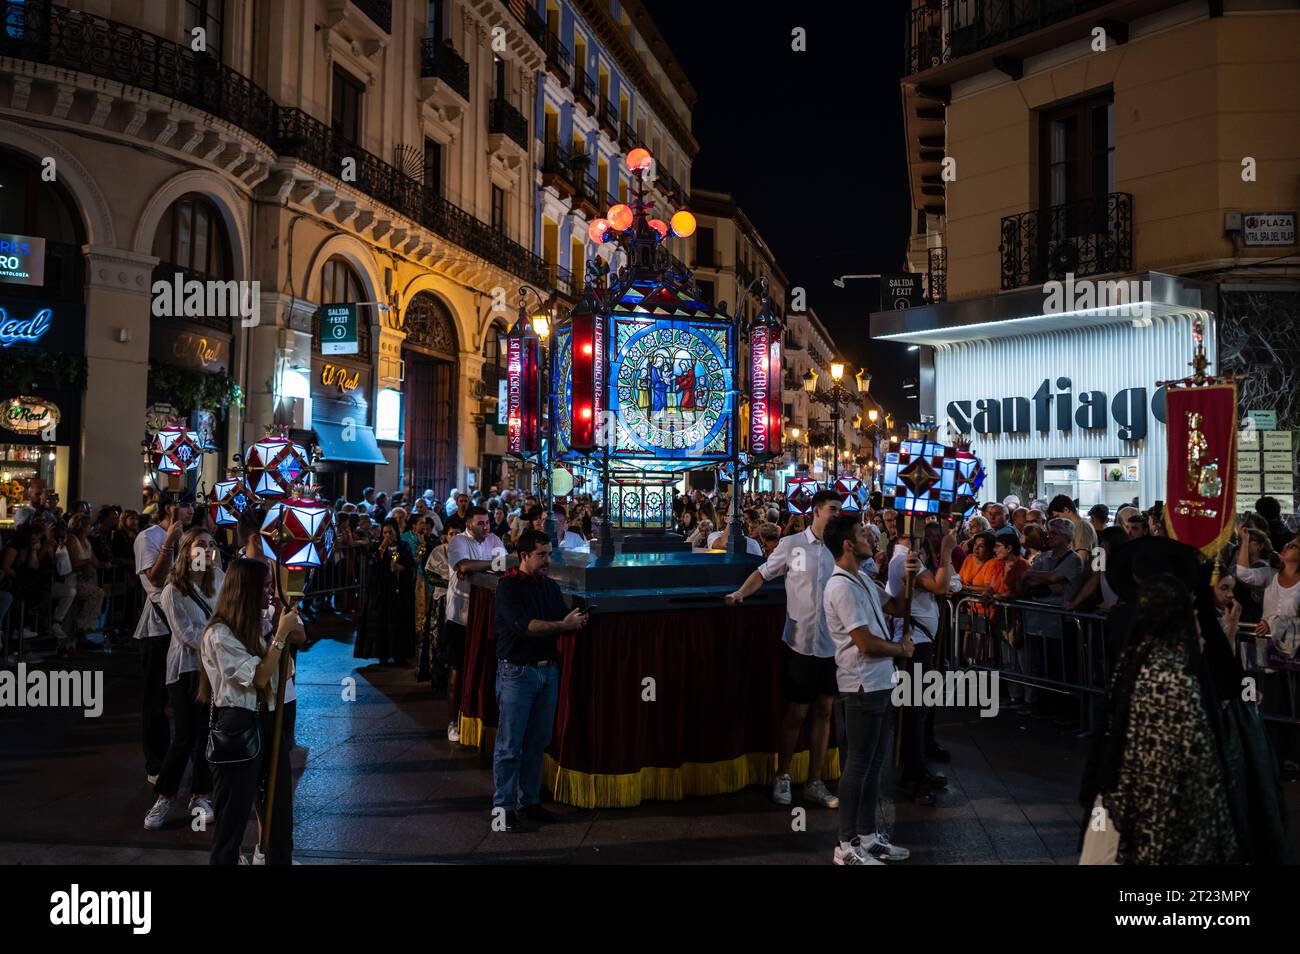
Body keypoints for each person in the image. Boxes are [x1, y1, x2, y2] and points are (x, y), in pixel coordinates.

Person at [1078, 574, 1240, 864]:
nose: (1201, 631)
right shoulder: (1170, 676)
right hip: (1149, 818)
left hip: (1123, 808)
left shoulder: (1141, 659)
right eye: (1193, 619)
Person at [725, 489, 843, 810]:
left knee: (824, 710)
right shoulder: (793, 546)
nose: (836, 515)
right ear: (817, 511)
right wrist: (740, 594)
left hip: (832, 643)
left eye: (839, 510)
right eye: (832, 509)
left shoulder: (839, 550)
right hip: (800, 642)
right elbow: (762, 573)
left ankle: (816, 781)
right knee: (797, 711)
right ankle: (784, 774)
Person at [822, 514, 914, 865]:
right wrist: (900, 650)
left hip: (878, 681)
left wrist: (909, 576)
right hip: (861, 684)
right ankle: (845, 845)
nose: (870, 539)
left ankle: (868, 836)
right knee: (858, 764)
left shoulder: (861, 578)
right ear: (848, 544)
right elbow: (863, 642)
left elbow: (898, 607)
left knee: (874, 764)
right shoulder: (842, 586)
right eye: (863, 534)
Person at [198, 558, 303, 865]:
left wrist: (284, 633)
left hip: (269, 719)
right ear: (246, 589)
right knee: (232, 817)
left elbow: (281, 673)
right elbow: (258, 677)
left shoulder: (258, 628)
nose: (271, 592)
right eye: (266, 586)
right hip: (237, 725)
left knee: (278, 809)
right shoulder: (219, 634)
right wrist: (281, 636)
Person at [491, 529, 588, 831]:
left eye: (549, 554)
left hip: (547, 671)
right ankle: (502, 808)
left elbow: (561, 616)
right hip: (518, 672)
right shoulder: (508, 588)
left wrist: (578, 619)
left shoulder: (547, 586)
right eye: (542, 555)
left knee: (538, 742)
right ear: (524, 556)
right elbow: (527, 626)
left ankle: (529, 801)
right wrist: (563, 624)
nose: (548, 560)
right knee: (510, 745)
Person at [145, 527, 223, 831]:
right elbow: (186, 634)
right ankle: (164, 796)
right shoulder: (173, 589)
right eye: (199, 545)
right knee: (185, 735)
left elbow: (227, 614)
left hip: (215, 667)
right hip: (187, 669)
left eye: (210, 544)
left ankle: (200, 794)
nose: (206, 550)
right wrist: (220, 642)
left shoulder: (219, 578)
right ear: (187, 551)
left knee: (206, 734)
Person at [886, 522, 960, 804]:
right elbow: (940, 586)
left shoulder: (907, 558)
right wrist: (947, 552)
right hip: (914, 642)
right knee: (913, 710)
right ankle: (912, 775)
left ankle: (917, 768)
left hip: (921, 639)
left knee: (917, 708)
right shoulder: (906, 560)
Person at [134, 495, 195, 784]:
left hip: (186, 624)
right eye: (185, 505)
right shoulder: (149, 537)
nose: (191, 510)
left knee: (187, 697)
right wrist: (170, 540)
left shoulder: (192, 537)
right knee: (156, 700)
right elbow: (156, 580)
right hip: (159, 629)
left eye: (192, 505)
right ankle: (155, 765)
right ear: (168, 508)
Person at [445, 508, 505, 742]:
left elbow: (503, 566)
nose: (486, 527)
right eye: (481, 523)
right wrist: (489, 564)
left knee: (484, 667)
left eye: (488, 523)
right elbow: (463, 567)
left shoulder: (495, 539)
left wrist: (479, 565)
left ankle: (480, 717)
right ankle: (452, 721)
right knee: (457, 669)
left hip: (487, 616)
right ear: (469, 524)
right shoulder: (458, 541)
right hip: (460, 616)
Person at [1017, 518, 1085, 719]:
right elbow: (1030, 578)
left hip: (1060, 623)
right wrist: (1044, 579)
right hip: (1039, 622)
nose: (1049, 536)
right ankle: (1045, 706)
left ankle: (1065, 711)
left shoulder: (1073, 560)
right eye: (1049, 533)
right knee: (1041, 665)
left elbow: (1052, 579)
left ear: (1066, 537)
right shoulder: (1044, 557)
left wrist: (1040, 578)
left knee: (1061, 667)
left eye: (1054, 533)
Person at [353, 518, 416, 665]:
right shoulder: (377, 547)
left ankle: (400, 655)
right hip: (381, 592)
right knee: (381, 624)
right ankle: (382, 654)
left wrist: (401, 568)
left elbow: (410, 566)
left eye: (390, 532)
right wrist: (382, 548)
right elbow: (372, 565)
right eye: (385, 532)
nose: (388, 535)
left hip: (399, 593)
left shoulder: (404, 547)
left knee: (399, 624)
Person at [65, 512, 106, 650]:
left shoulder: (87, 542)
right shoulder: (72, 540)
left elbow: (95, 561)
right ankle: (82, 626)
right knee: (97, 594)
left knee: (91, 598)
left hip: (88, 579)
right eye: (88, 525)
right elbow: (74, 561)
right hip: (74, 579)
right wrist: (87, 562)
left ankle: (80, 635)